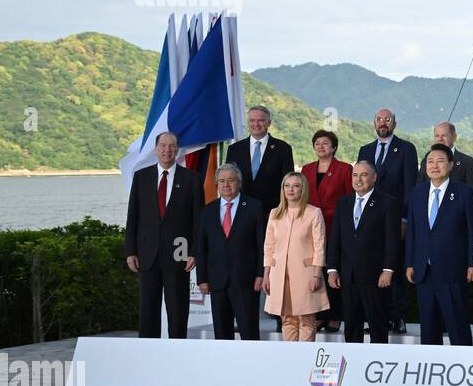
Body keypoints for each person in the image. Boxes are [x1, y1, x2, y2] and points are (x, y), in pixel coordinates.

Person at [125, 132, 204, 339]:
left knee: (178, 309)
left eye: (172, 146)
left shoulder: (192, 179)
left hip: (179, 253)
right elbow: (133, 216)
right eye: (163, 145)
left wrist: (194, 251)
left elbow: (198, 220)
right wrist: (130, 251)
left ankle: (177, 351)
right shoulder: (141, 177)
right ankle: (147, 352)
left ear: (177, 149)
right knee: (148, 309)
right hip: (147, 253)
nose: (167, 150)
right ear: (156, 148)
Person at [406, 144, 473, 346]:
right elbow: (412, 232)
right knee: (428, 329)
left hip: (453, 272)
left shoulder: (465, 193)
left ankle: (464, 368)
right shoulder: (417, 193)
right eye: (430, 161)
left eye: (440, 161)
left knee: (458, 326)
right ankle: (432, 372)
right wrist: (410, 263)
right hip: (424, 271)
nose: (434, 166)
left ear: (450, 165)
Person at [358, 108, 419, 335]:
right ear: (374, 123)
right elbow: (361, 185)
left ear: (394, 123)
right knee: (370, 267)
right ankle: (374, 317)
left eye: (387, 120)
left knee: (394, 266)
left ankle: (397, 317)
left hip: (395, 218)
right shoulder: (365, 149)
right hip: (369, 219)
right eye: (379, 119)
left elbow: (409, 185)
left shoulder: (406, 149)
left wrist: (405, 218)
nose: (383, 123)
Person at [327, 161, 401, 344]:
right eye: (355, 175)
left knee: (378, 326)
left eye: (364, 175)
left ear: (374, 177)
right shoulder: (344, 203)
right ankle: (353, 365)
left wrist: (388, 269)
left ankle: (378, 367)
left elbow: (392, 240)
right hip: (347, 276)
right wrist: (332, 269)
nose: (358, 179)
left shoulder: (387, 203)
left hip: (375, 276)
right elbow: (335, 238)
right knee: (351, 327)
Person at [195, 164, 265, 341]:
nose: (226, 185)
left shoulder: (254, 207)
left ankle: (250, 366)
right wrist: (202, 278)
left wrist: (260, 274)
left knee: (249, 331)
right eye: (222, 181)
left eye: (231, 180)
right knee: (221, 332)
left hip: (246, 280)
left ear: (239, 183)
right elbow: (201, 247)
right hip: (217, 281)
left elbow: (261, 244)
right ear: (217, 184)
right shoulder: (207, 211)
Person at [262, 171, 328, 342]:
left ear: (303, 189)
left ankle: (305, 360)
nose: (291, 190)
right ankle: (290, 359)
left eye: (296, 186)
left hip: (306, 275)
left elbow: (320, 246)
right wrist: (266, 275)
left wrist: (316, 274)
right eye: (287, 186)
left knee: (306, 320)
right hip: (279, 275)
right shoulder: (275, 213)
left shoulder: (314, 213)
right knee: (287, 319)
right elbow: (269, 247)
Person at [302, 129, 352, 333]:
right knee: (316, 272)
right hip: (311, 230)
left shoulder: (344, 168)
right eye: (317, 144)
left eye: (325, 143)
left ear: (334, 147)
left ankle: (335, 316)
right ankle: (320, 315)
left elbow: (350, 198)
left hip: (335, 227)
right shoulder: (306, 169)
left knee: (334, 272)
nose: (321, 147)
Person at [227, 106, 295, 215]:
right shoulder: (235, 149)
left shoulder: (283, 148)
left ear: (269, 123)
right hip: (240, 211)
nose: (256, 124)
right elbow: (229, 180)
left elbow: (288, 181)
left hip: (272, 212)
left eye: (261, 120)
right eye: (252, 120)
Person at [418, 121, 473, 192]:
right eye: (437, 136)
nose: (440, 139)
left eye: (444, 135)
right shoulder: (426, 160)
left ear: (454, 137)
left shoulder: (467, 162)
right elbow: (419, 188)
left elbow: (472, 193)